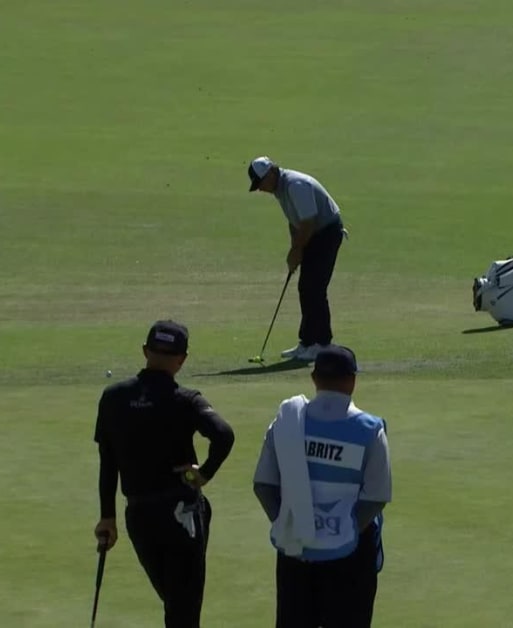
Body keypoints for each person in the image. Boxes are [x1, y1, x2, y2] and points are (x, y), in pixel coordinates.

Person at [93, 320, 236, 628]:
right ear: (182, 360)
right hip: (181, 514)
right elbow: (224, 435)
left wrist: (108, 518)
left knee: (174, 602)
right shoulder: (186, 399)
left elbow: (108, 461)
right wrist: (204, 474)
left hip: (139, 516)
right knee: (183, 608)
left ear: (145, 351)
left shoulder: (113, 398)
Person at [252, 345, 391, 628]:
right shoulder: (370, 429)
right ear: (352, 380)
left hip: (294, 549)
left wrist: (290, 522)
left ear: (314, 379)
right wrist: (343, 531)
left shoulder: (285, 421)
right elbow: (376, 497)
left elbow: (264, 485)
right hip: (352, 551)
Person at [248, 156, 348, 362]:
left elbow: (308, 222)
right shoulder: (280, 189)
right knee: (306, 287)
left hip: (326, 233)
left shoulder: (296, 185)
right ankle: (308, 342)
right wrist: (295, 249)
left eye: (260, 183)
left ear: (272, 173)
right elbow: (294, 222)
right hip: (314, 233)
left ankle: (322, 344)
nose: (260, 189)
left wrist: (297, 250)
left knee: (314, 288)